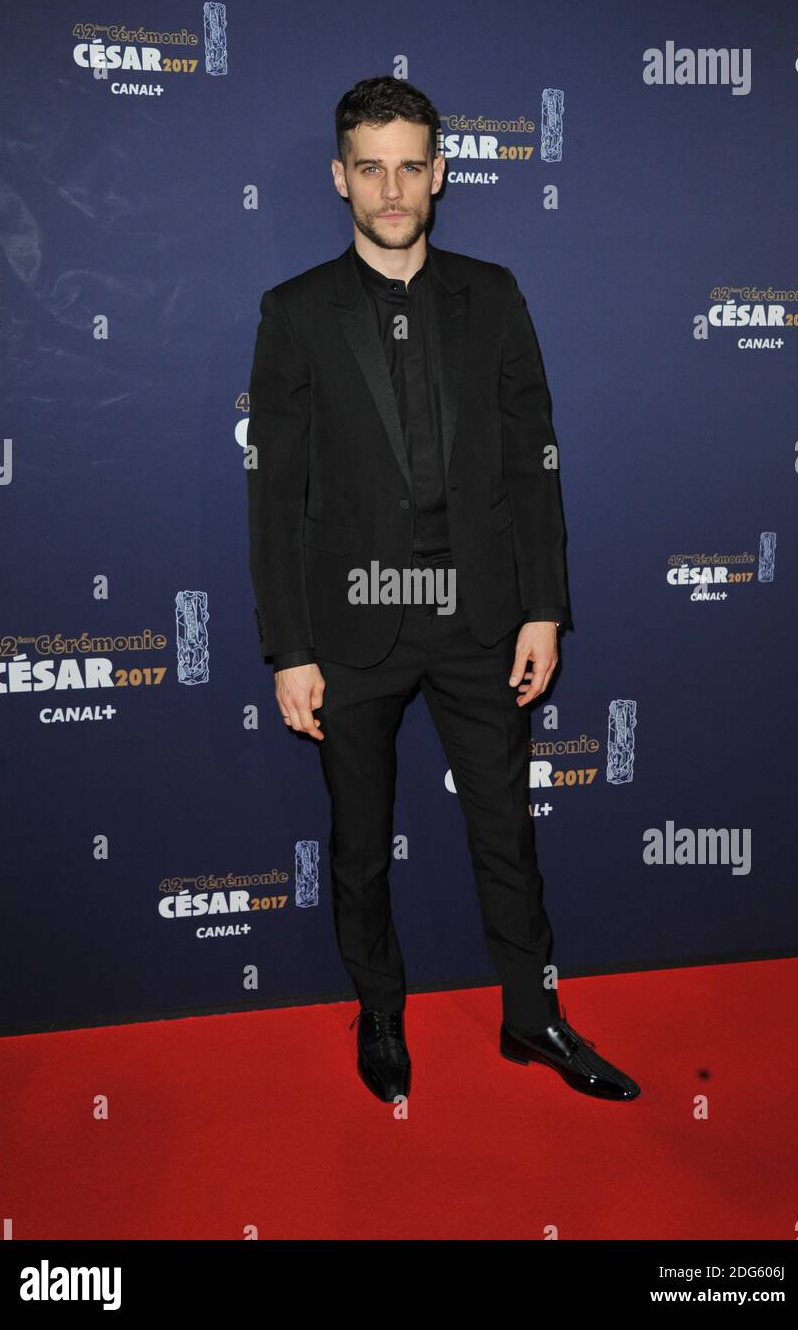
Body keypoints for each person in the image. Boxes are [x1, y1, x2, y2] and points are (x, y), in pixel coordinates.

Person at [246, 75, 640, 1104]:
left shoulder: (493, 293)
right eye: (369, 167)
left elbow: (532, 460)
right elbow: (273, 496)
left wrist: (543, 605)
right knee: (361, 847)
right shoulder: (292, 313)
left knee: (506, 833)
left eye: (410, 165)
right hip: (350, 631)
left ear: (440, 173)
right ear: (340, 178)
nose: (391, 187)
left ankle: (532, 1016)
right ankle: (379, 1012)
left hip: (480, 620)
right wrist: (289, 649)